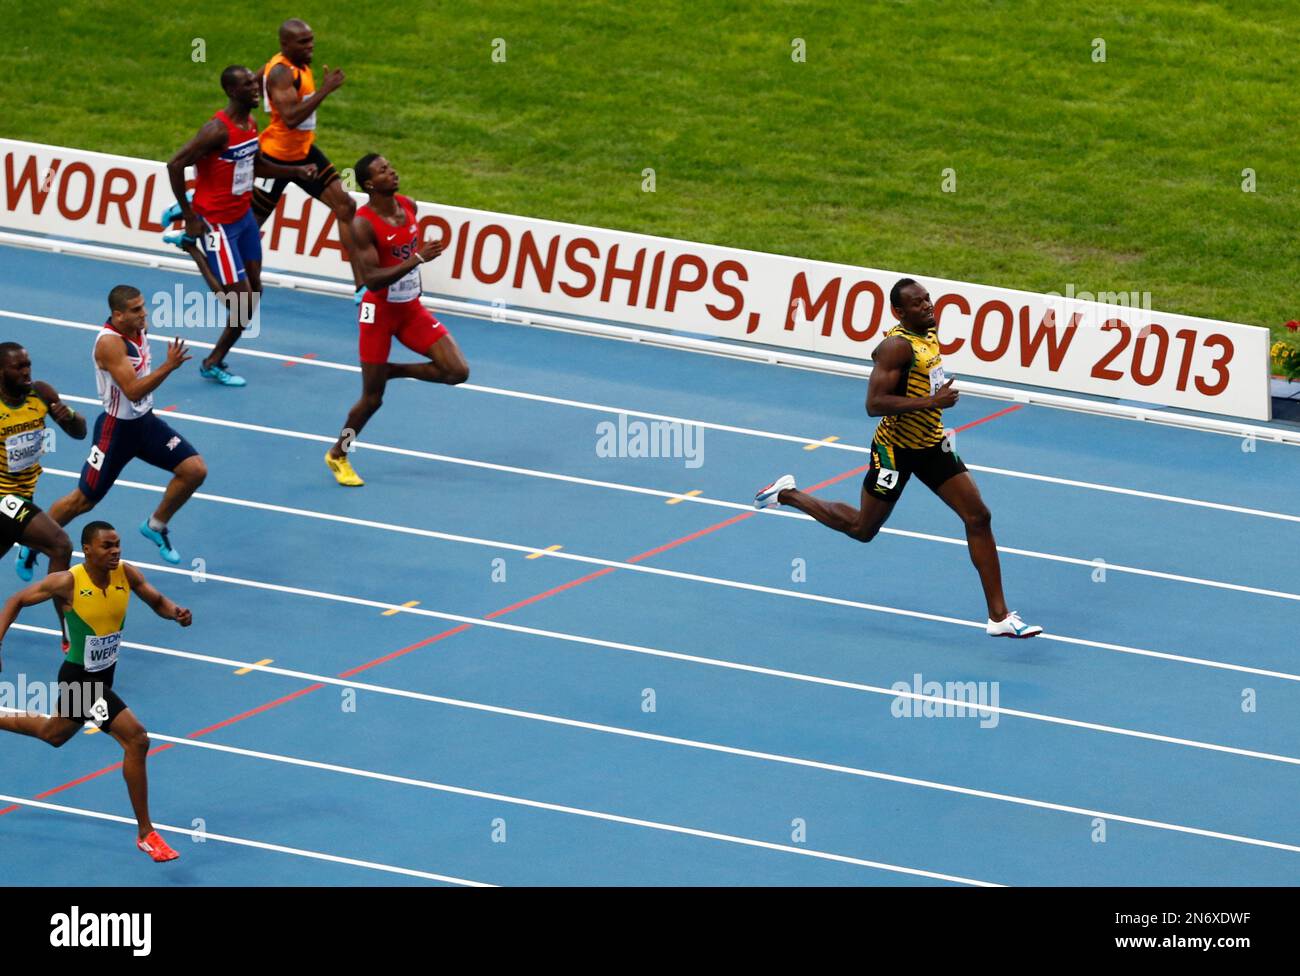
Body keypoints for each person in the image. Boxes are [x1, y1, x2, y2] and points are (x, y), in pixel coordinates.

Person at [755, 278, 1042, 638]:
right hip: (894, 451)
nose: (928, 306)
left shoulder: (929, 333)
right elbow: (874, 404)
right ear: (899, 312)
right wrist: (931, 402)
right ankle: (788, 495)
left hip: (931, 444)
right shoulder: (896, 347)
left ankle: (999, 617)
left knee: (978, 516)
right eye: (918, 303)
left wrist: (931, 402)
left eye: (928, 299)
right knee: (863, 529)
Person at [0, 520, 192, 862]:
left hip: (103, 677)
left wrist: (175, 613)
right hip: (79, 680)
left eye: (117, 544)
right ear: (87, 549)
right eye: (107, 546)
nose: (115, 550)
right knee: (137, 738)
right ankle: (147, 833)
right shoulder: (67, 582)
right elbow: (16, 600)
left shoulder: (127, 575)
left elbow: (157, 600)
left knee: (53, 733)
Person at [166, 64, 317, 387]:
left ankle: (214, 361)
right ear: (233, 91)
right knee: (241, 304)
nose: (256, 87)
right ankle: (192, 247)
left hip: (243, 219)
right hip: (217, 224)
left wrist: (296, 172)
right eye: (249, 84)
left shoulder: (249, 122)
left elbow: (256, 163)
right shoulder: (216, 131)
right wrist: (191, 215)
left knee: (254, 294)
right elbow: (175, 164)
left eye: (255, 82)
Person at [324, 154, 469, 487]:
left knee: (457, 372)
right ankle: (338, 453)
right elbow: (372, 279)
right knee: (371, 399)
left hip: (410, 309)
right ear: (370, 184)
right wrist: (418, 258)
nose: (392, 172)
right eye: (383, 171)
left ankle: (393, 370)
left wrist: (414, 259)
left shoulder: (409, 206)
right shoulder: (363, 224)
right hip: (379, 313)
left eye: (390, 166)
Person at [43, 286, 206, 566]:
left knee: (194, 470)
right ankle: (33, 541)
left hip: (146, 425)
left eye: (143, 306)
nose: (144, 313)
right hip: (115, 432)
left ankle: (155, 525)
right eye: (136, 310)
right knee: (83, 500)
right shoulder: (110, 344)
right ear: (118, 315)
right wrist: (168, 366)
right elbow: (132, 391)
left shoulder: (139, 328)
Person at [253, 18, 363, 296]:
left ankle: (362, 286)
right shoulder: (280, 72)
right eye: (303, 42)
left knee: (345, 206)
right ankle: (239, 281)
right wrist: (326, 90)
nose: (310, 46)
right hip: (275, 157)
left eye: (311, 39)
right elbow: (290, 118)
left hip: (303, 153)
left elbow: (253, 82)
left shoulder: (292, 65)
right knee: (251, 225)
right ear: (285, 44)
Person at [0, 344, 85, 583]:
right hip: (4, 499)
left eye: (27, 365)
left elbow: (79, 432)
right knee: (61, 545)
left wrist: (69, 416)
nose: (26, 372)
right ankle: (66, 618)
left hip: (24, 495)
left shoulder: (41, 393)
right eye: (18, 367)